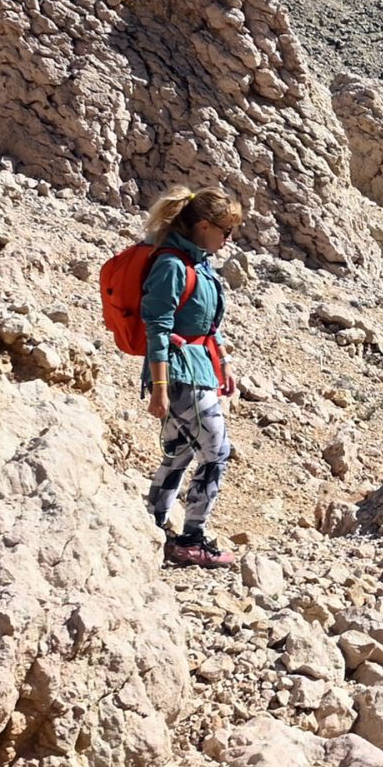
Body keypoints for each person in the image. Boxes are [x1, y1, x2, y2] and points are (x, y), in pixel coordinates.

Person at [139, 186, 243, 569]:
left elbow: (207, 324)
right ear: (203, 225)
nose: (228, 239)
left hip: (199, 369)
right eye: (225, 230)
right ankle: (191, 538)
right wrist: (159, 389)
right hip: (179, 375)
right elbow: (158, 327)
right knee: (216, 451)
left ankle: (153, 520)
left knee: (181, 451)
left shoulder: (200, 265)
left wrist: (224, 362)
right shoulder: (171, 265)